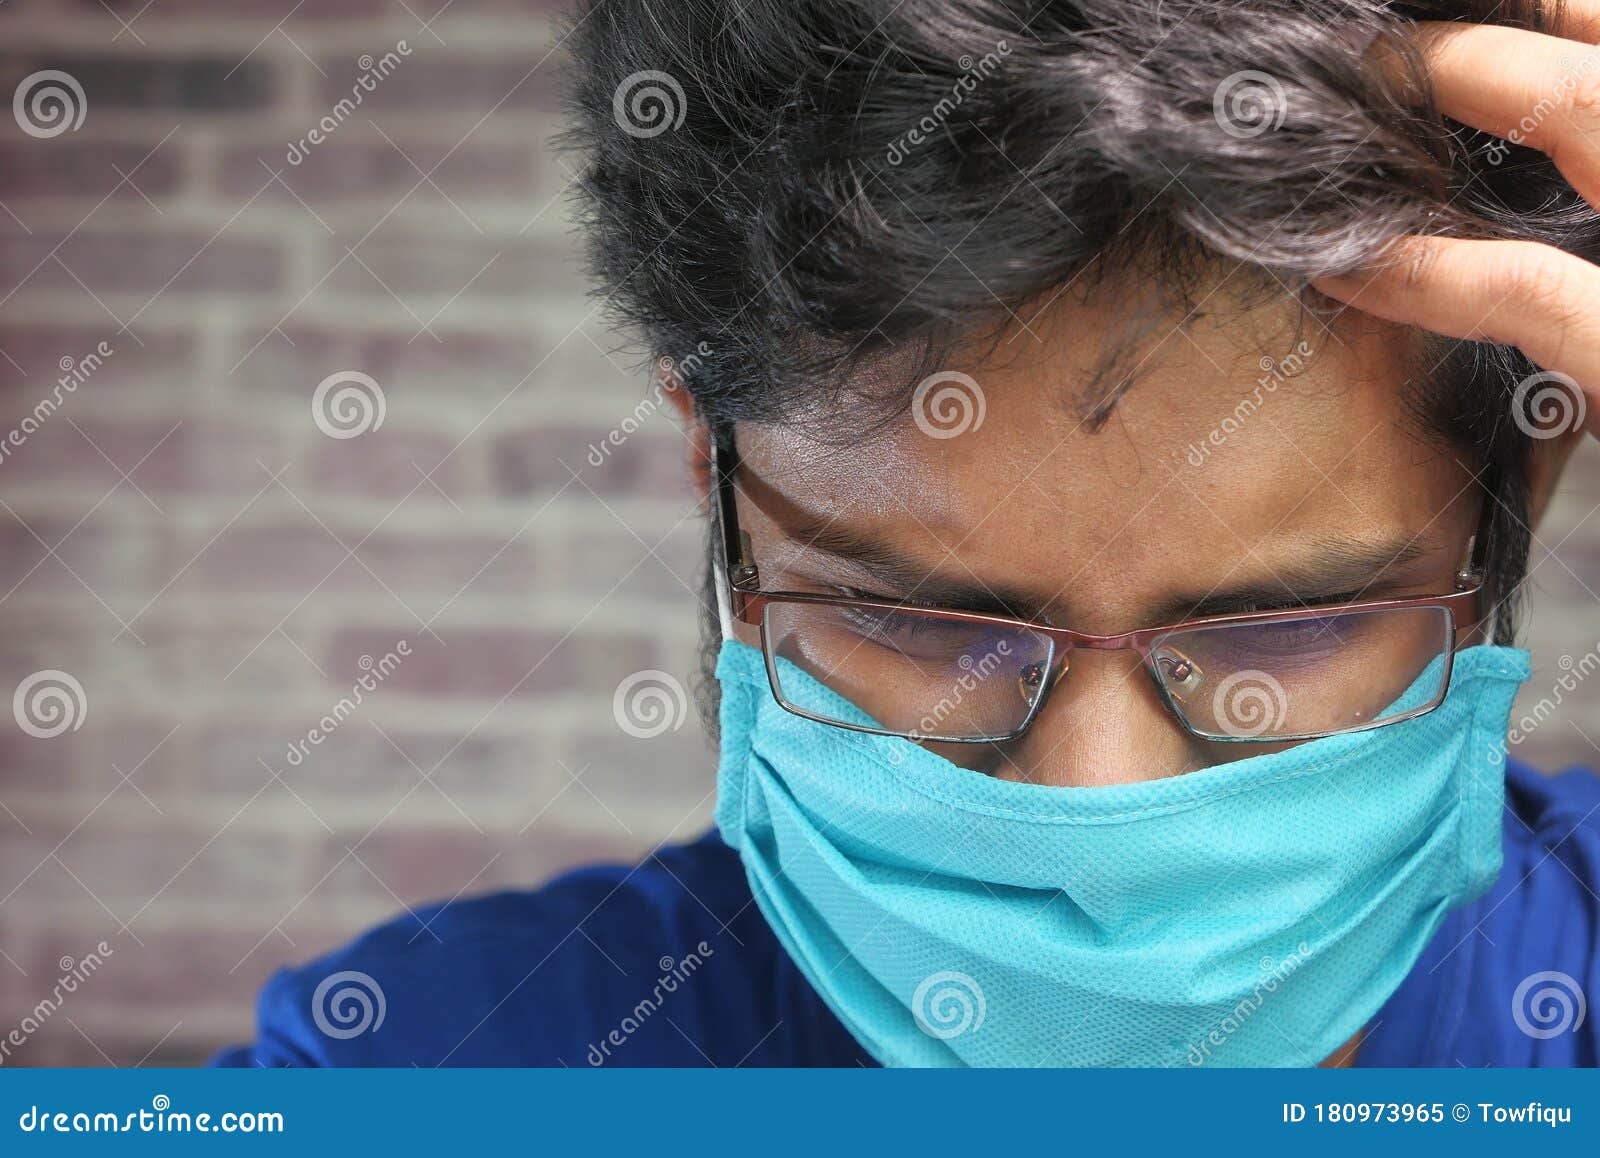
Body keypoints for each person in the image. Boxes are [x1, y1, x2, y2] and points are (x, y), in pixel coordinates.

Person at [217, 0, 1600, 1067]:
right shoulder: (426, 1065)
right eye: (920, 624)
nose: (1093, 819)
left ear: (1526, 475)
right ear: (714, 463)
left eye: (1284, 628)